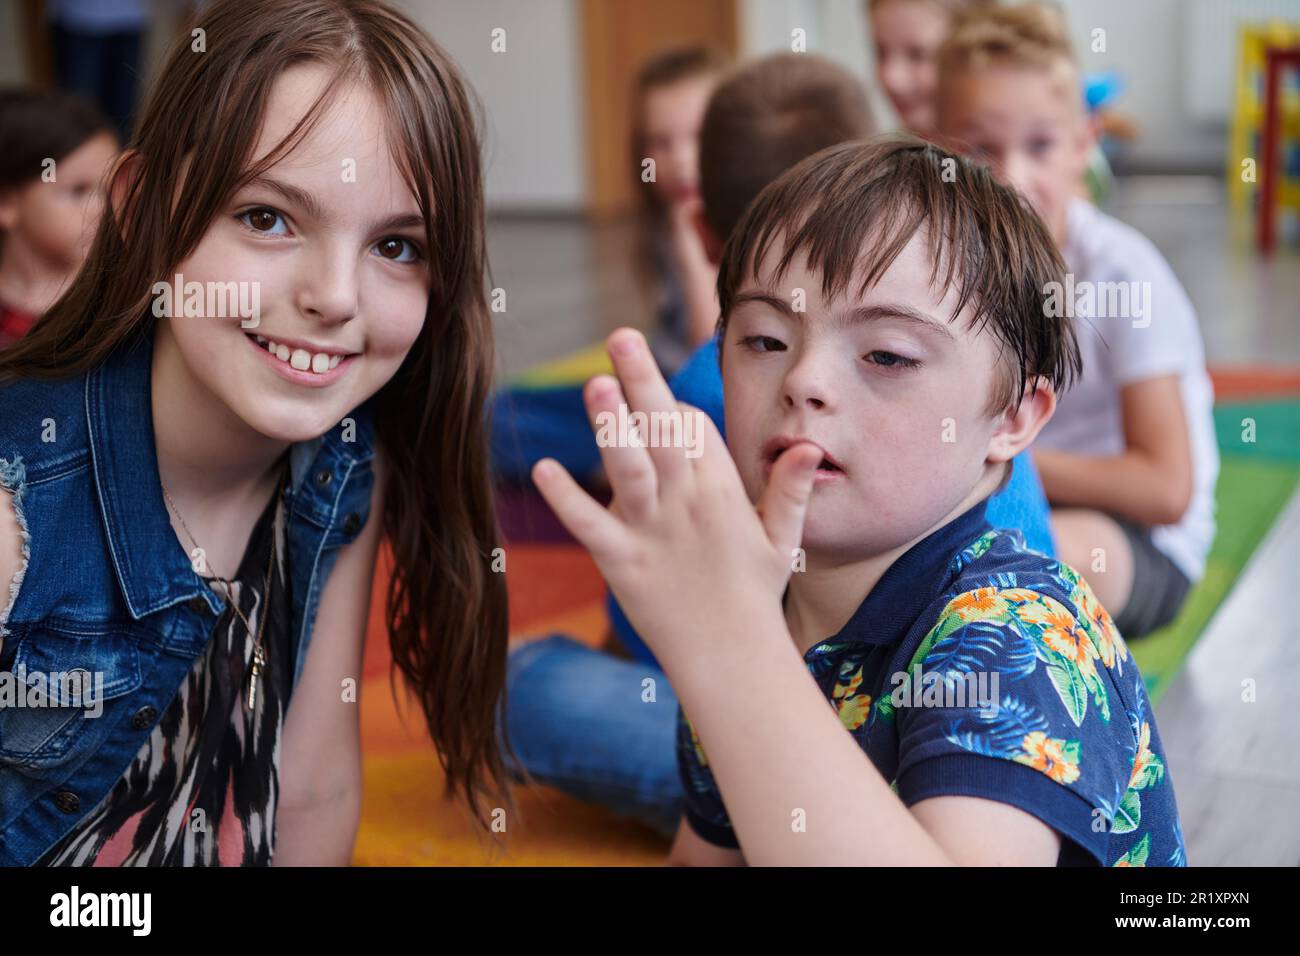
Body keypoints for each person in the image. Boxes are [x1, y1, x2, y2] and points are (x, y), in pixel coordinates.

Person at [534, 136, 1185, 866]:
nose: (804, 379)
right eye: (765, 339)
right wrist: (727, 636)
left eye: (886, 355)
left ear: (1012, 420)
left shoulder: (1017, 631)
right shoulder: (756, 612)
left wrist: (728, 645)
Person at [0, 0, 508, 866]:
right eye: (268, 218)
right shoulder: (13, 509)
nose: (336, 296)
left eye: (395, 245)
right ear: (144, 208)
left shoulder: (344, 459)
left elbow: (312, 788)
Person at [936, 2, 1217, 636]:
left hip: (1138, 541)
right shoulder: (943, 266)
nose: (1011, 178)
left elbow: (1167, 488)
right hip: (1000, 496)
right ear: (938, 151)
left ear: (1084, 144)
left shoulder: (1123, 273)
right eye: (980, 150)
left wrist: (1000, 459)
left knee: (999, 566)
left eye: (1040, 144)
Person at [0, 88, 118, 347]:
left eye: (109, 189)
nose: (103, 208)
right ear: (6, 203)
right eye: (78, 190)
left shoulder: (118, 302)